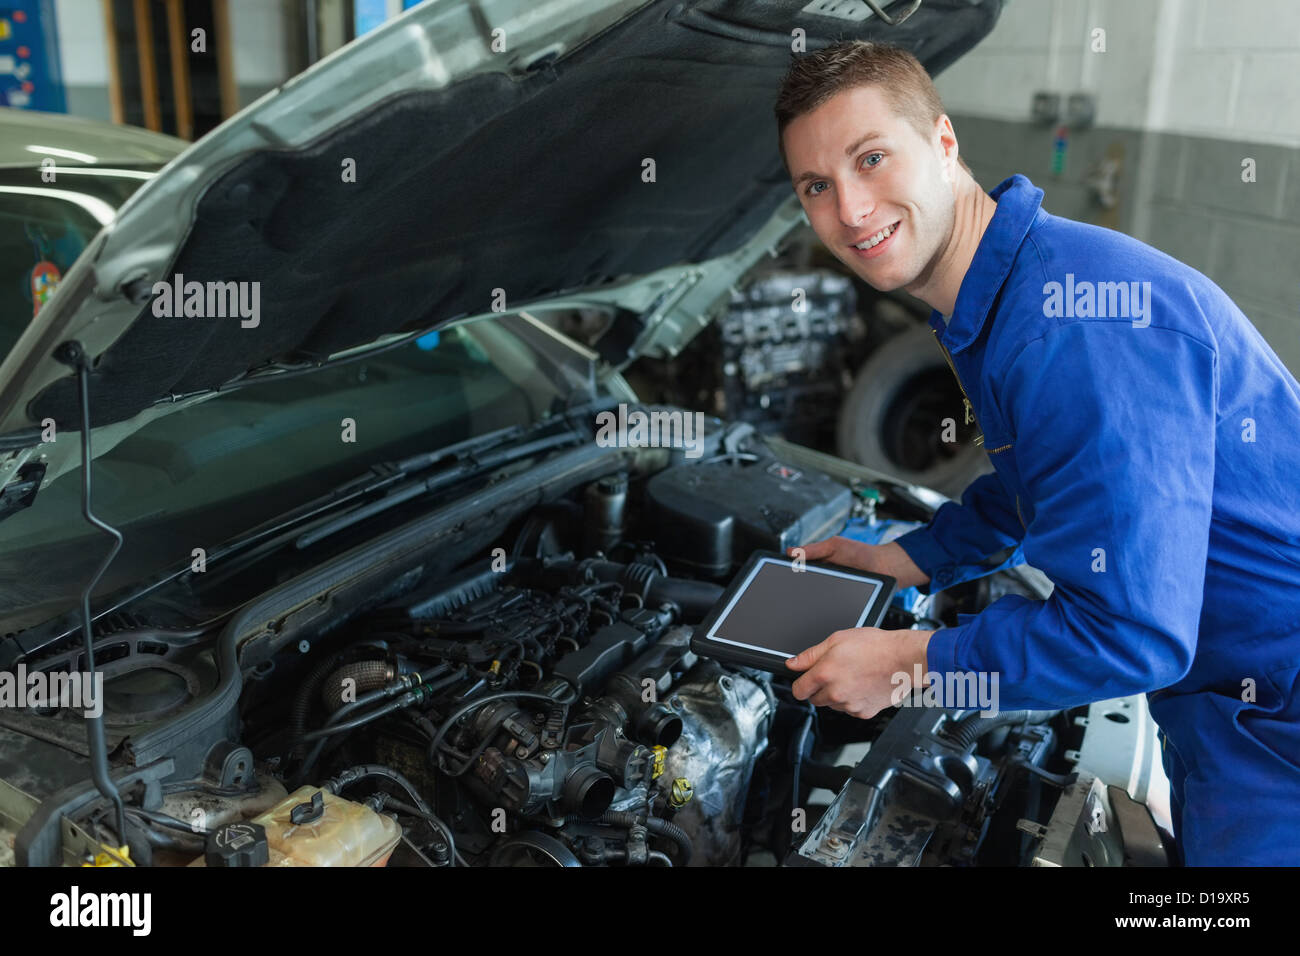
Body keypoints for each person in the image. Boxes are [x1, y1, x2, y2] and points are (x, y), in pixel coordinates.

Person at [773, 40, 1300, 865]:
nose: (851, 208)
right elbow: (1040, 479)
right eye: (817, 186)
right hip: (1228, 701)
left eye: (871, 158)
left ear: (944, 142)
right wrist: (913, 561)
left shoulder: (1067, 329)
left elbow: (1132, 637)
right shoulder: (1009, 292)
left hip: (1279, 724)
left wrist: (913, 665)